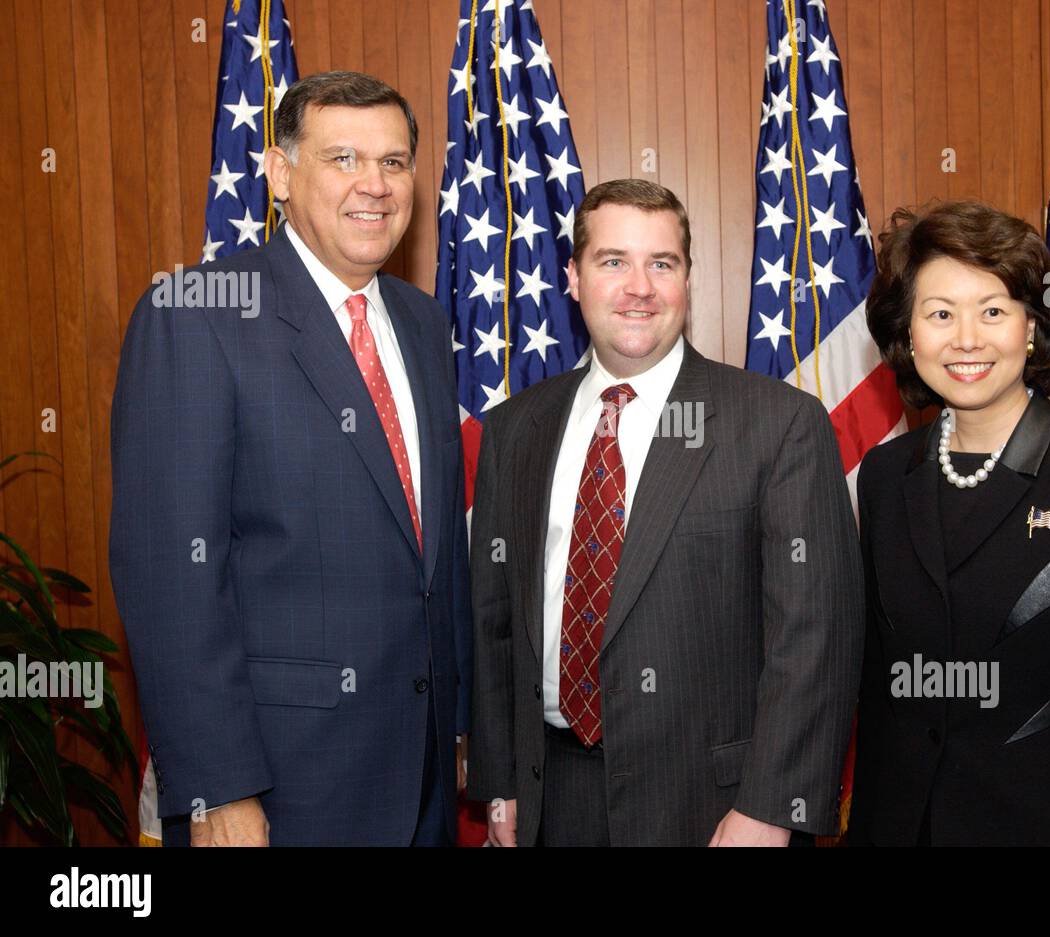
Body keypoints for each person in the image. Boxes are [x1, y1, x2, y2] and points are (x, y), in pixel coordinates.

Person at [109, 71, 471, 846]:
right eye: (343, 158)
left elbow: (433, 562)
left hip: (425, 782)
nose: (374, 185)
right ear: (279, 172)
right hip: (279, 792)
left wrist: (462, 726)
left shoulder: (421, 322)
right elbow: (170, 578)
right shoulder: (196, 316)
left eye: (395, 162)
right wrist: (216, 789)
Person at [467, 178, 863, 846]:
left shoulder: (777, 423)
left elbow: (816, 636)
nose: (639, 287)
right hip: (549, 797)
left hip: (713, 808)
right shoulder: (515, 429)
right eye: (613, 261)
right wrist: (500, 780)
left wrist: (769, 809)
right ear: (573, 277)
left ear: (688, 279)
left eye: (663, 263)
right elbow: (494, 621)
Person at [847, 200, 1050, 846]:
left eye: (993, 311)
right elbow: (879, 694)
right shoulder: (885, 476)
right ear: (908, 335)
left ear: (1031, 328)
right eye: (940, 314)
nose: (966, 338)